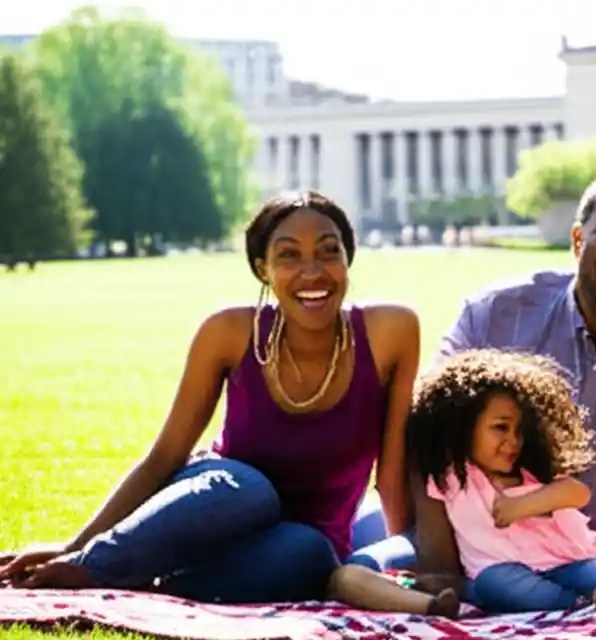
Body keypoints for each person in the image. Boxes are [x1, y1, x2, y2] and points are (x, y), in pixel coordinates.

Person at [0, 190, 420, 602]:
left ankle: (157, 582)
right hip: (219, 502)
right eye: (289, 255)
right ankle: (94, 566)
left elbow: (392, 477)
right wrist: (76, 545)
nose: (313, 271)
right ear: (263, 270)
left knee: (312, 554)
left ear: (348, 261)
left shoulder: (391, 333)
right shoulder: (228, 332)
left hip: (293, 543)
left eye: (329, 251)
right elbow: (165, 457)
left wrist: (412, 566)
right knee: (250, 488)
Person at [349, 170, 596, 597]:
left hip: (588, 556)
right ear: (578, 239)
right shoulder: (494, 312)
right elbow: (426, 433)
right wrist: (443, 565)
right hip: (464, 541)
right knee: (352, 561)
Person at [329, 349, 596, 615]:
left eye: (519, 430)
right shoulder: (448, 475)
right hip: (493, 575)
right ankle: (582, 606)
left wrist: (522, 504)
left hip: (563, 564)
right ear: (462, 426)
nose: (513, 441)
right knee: (497, 583)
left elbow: (577, 493)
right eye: (500, 428)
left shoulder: (529, 473)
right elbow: (436, 553)